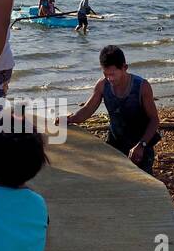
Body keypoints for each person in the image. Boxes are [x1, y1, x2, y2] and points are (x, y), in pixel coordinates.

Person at [65, 45, 160, 173]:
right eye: (106, 74)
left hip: (141, 144)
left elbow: (154, 120)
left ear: (124, 68)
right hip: (115, 142)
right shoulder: (102, 85)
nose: (110, 78)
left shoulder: (142, 87)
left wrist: (141, 145)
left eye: (113, 74)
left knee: (142, 183)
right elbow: (88, 109)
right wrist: (70, 119)